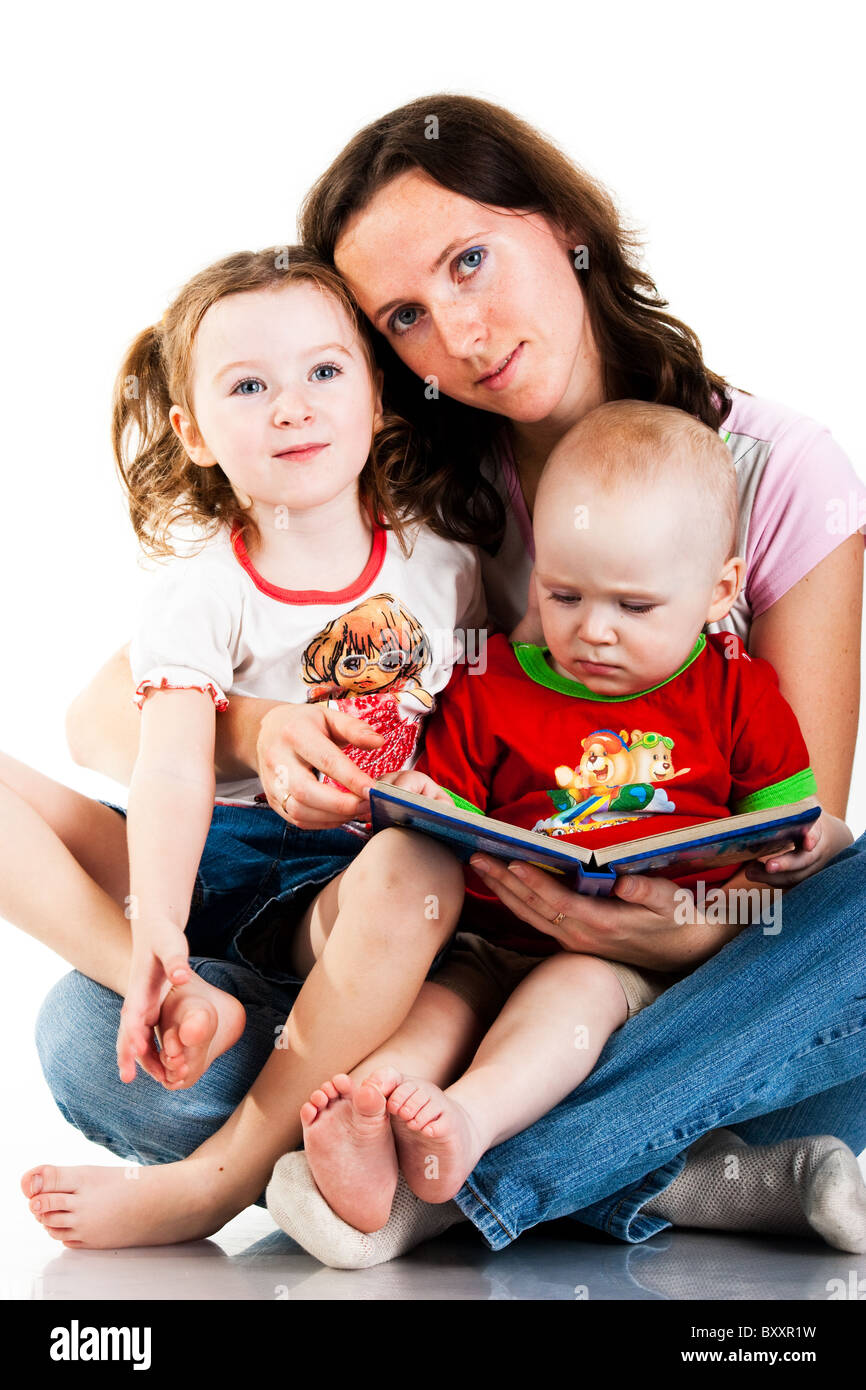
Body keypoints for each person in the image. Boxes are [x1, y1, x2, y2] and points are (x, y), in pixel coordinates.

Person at [32, 94, 866, 1261]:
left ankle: (453, 1174)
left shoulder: (775, 472)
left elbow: (785, 868)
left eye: (470, 260)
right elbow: (96, 718)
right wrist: (264, 729)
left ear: (564, 224)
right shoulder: (399, 482)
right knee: (91, 1036)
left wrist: (648, 933)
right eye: (407, 316)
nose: (462, 332)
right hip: (420, 947)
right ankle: (682, 1170)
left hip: (675, 985)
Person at [12, 244, 486, 1247]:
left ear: (376, 395)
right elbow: (175, 764)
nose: (291, 407)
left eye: (323, 372)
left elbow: (477, 743)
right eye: (248, 386)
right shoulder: (199, 592)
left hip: (339, 893)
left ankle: (228, 1164)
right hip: (209, 855)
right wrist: (157, 929)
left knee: (416, 863)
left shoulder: (441, 570)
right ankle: (171, 989)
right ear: (191, 430)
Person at [287, 400, 846, 1240]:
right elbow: (439, 810)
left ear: (720, 590)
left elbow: (797, 827)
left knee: (568, 996)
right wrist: (421, 799)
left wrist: (818, 842)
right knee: (435, 1009)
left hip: (621, 964)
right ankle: (369, 1116)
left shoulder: (735, 693)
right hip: (484, 934)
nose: (594, 632)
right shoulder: (496, 683)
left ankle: (465, 1126)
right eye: (564, 593)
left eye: (635, 607)